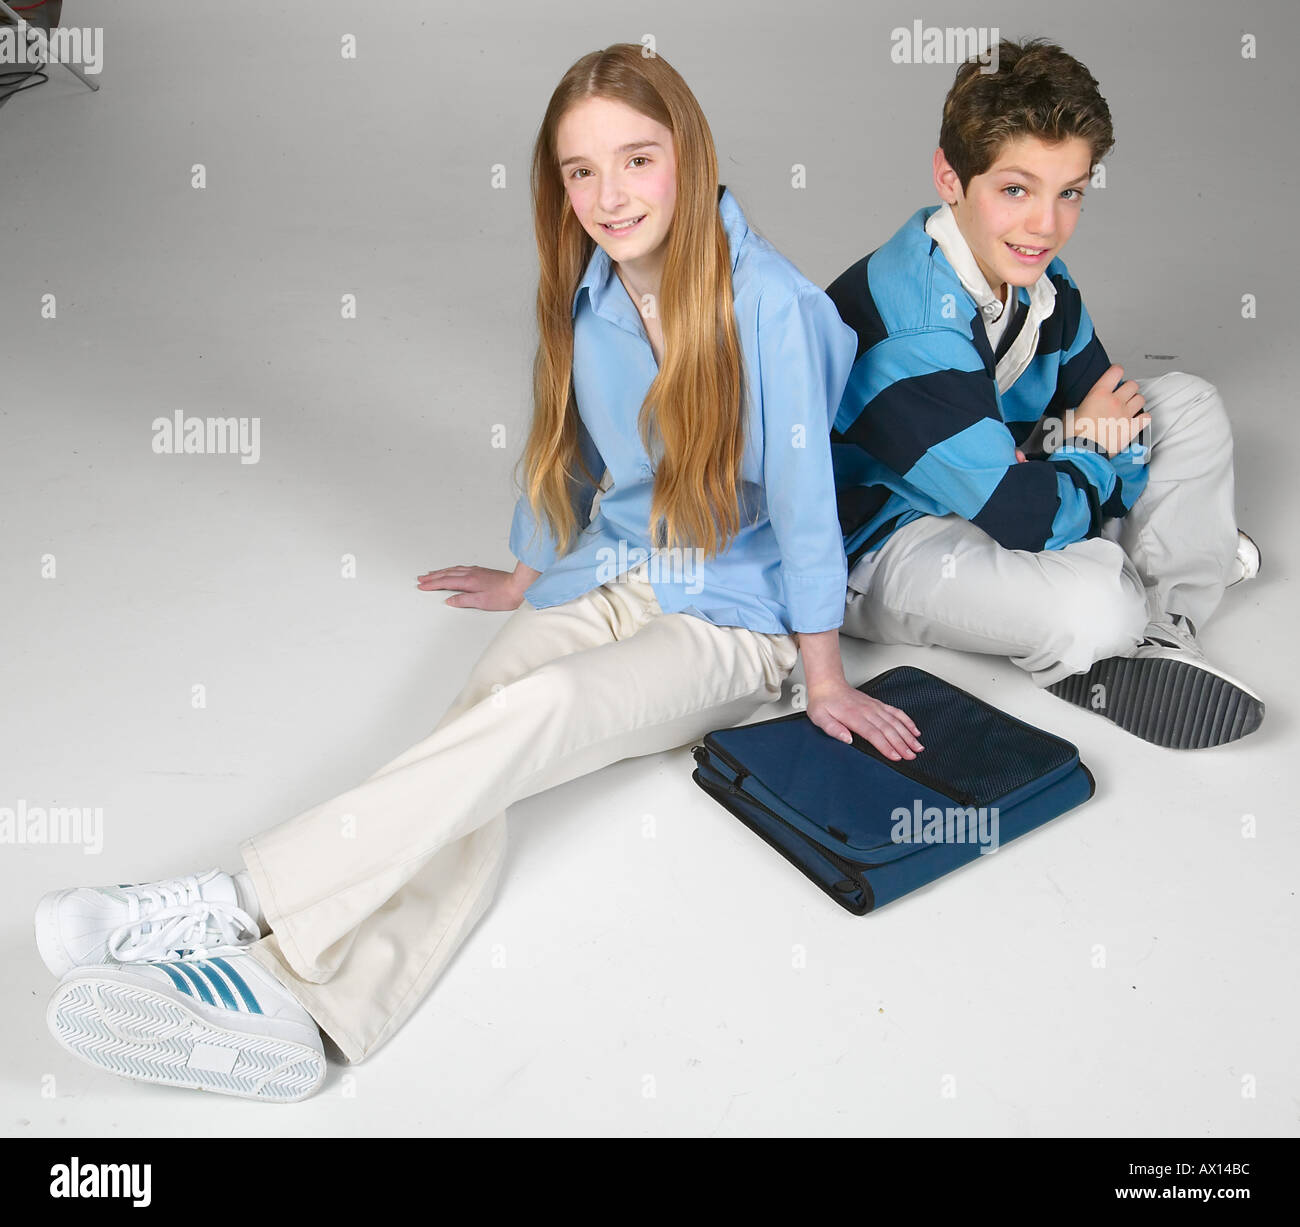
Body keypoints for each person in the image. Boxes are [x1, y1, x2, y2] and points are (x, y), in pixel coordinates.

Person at [34, 43, 921, 1102]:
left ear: (687, 152)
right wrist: (525, 572)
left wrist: (822, 677)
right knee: (475, 734)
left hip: (739, 619)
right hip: (614, 570)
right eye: (579, 171)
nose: (608, 195)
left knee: (533, 711)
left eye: (636, 160)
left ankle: (237, 902)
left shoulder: (771, 306)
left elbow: (812, 507)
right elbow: (571, 451)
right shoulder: (583, 291)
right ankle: (309, 1006)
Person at [826, 37, 1263, 750]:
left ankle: (1160, 627)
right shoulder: (913, 330)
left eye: (1070, 194)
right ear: (950, 178)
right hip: (885, 540)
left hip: (999, 470)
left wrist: (1066, 469)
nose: (1045, 226)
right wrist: (1087, 458)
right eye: (1015, 190)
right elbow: (1025, 510)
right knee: (1092, 608)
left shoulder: (1043, 284)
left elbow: (1113, 400)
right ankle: (1134, 590)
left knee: (1190, 402)